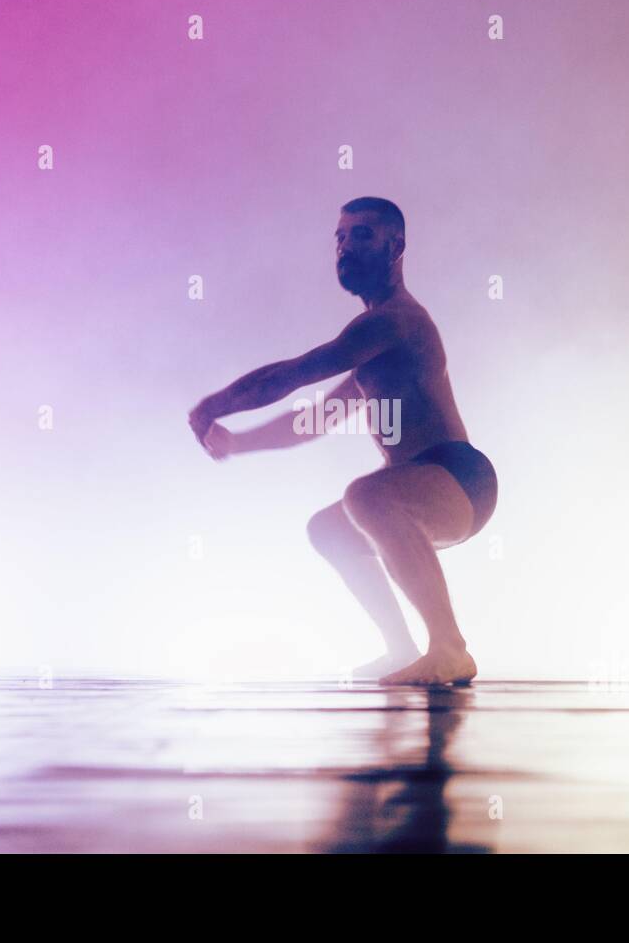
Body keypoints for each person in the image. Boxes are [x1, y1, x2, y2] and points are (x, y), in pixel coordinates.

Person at [188, 197, 497, 685]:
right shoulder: (375, 354)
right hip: (422, 482)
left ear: (395, 246)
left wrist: (216, 404)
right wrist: (237, 444)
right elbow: (314, 420)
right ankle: (400, 649)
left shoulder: (394, 322)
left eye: (362, 234)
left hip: (460, 477)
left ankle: (450, 647)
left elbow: (294, 373)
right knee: (328, 530)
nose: (345, 246)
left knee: (366, 496)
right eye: (340, 236)